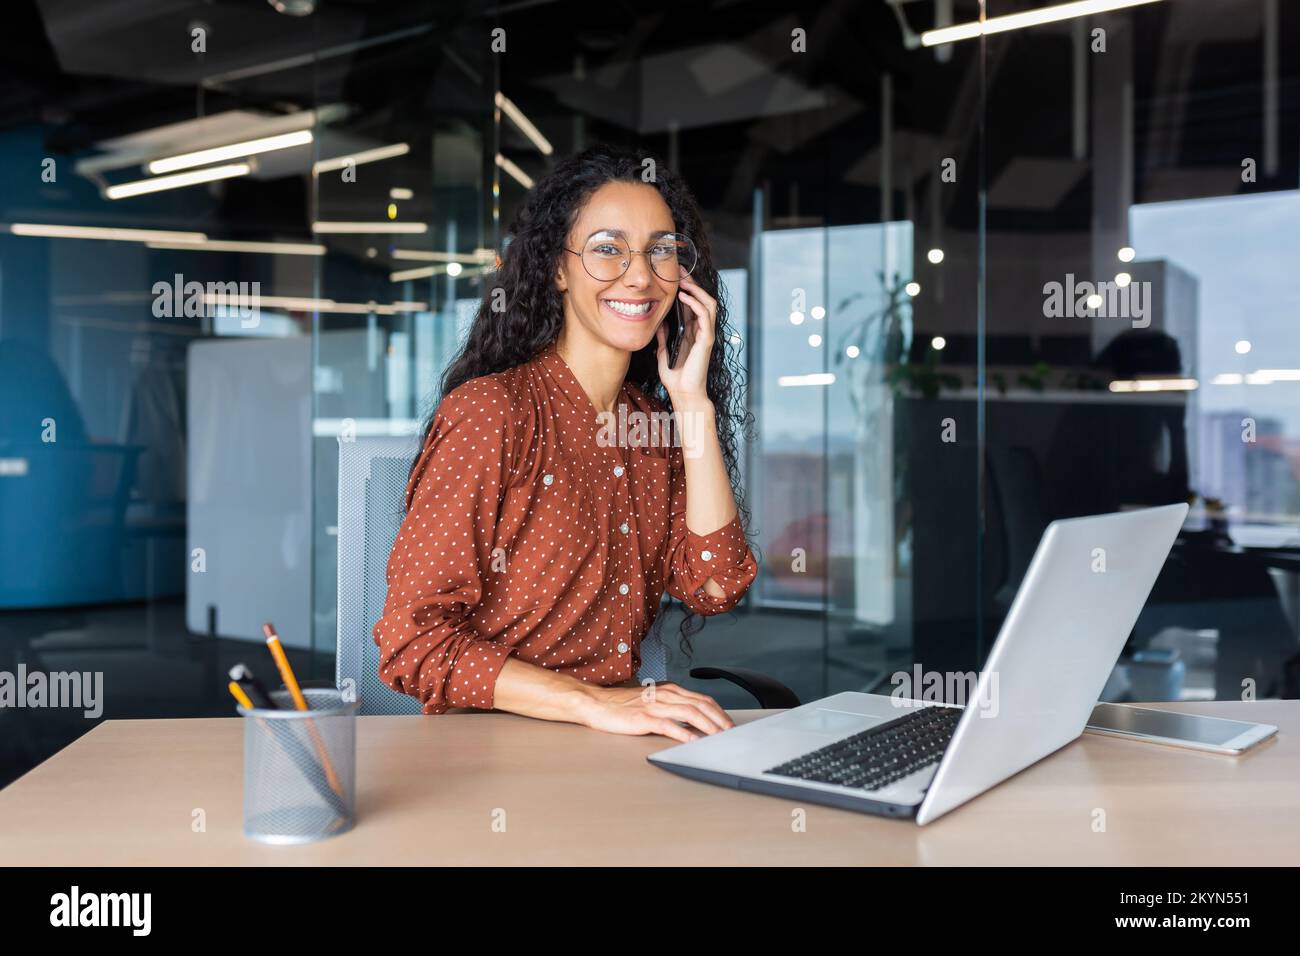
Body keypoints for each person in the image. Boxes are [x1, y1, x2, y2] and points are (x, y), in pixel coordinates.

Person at [373, 144, 757, 741]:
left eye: (661, 250)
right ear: (558, 268)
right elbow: (412, 644)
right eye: (608, 249)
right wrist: (593, 704)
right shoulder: (492, 413)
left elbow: (715, 585)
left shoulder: (653, 423)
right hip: (492, 749)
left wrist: (693, 406)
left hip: (615, 744)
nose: (640, 275)